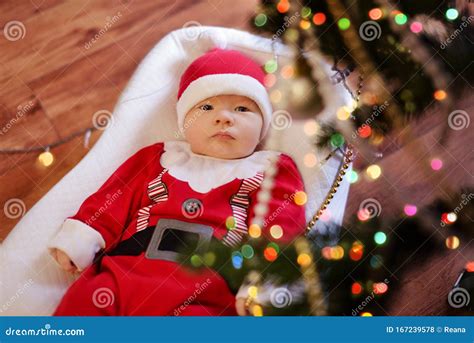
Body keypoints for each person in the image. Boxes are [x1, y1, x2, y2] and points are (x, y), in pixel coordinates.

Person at [48, 48, 307, 316]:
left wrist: (266, 280)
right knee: (87, 299)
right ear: (185, 120)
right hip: (127, 271)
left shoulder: (269, 169)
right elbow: (116, 196)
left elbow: (282, 224)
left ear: (263, 124)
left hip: (209, 289)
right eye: (207, 107)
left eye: (242, 109)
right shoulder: (161, 158)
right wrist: (85, 234)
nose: (225, 117)